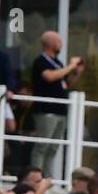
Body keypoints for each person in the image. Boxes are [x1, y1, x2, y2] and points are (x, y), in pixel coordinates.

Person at [31, 31, 84, 178]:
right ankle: (35, 179)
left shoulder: (58, 63)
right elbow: (50, 77)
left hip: (60, 110)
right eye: (59, 41)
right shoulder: (41, 61)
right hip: (46, 110)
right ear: (50, 43)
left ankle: (48, 179)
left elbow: (65, 83)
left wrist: (76, 72)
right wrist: (71, 65)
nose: (61, 44)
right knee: (42, 147)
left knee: (53, 148)